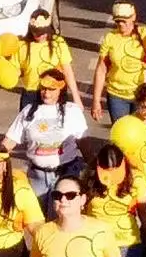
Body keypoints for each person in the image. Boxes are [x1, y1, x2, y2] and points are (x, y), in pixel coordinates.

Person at [8, 68, 90, 204]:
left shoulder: (72, 111)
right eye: (43, 88)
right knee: (38, 220)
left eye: (51, 89)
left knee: (63, 217)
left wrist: (93, 172)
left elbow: (85, 146)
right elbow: (9, 142)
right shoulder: (28, 112)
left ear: (61, 90)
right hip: (37, 177)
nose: (46, 93)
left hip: (66, 174)